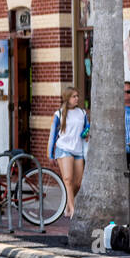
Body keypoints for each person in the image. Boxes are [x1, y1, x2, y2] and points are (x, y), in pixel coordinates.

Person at [48, 87, 89, 219]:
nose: (77, 98)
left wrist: (87, 133)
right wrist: (50, 154)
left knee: (78, 182)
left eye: (77, 96)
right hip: (63, 148)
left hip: (78, 150)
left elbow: (86, 128)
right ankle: (73, 209)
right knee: (68, 179)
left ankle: (67, 203)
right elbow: (53, 135)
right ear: (67, 98)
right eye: (74, 96)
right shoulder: (59, 114)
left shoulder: (82, 113)